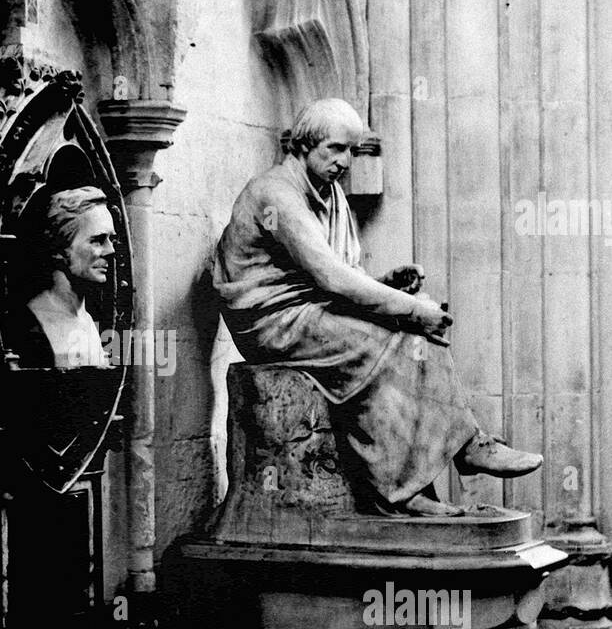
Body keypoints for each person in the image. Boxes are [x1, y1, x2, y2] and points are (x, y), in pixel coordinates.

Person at [213, 98, 541, 516]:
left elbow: (342, 274)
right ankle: (400, 490)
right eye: (335, 148)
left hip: (309, 306)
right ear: (303, 145)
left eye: (351, 150)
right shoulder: (275, 195)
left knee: (418, 338)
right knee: (393, 338)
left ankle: (459, 452)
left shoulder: (328, 194)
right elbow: (333, 278)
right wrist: (409, 309)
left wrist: (388, 287)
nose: (345, 161)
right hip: (273, 322)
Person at [12, 186, 116, 368]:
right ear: (59, 249)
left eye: (111, 239)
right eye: (98, 240)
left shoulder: (87, 320)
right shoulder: (35, 320)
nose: (110, 251)